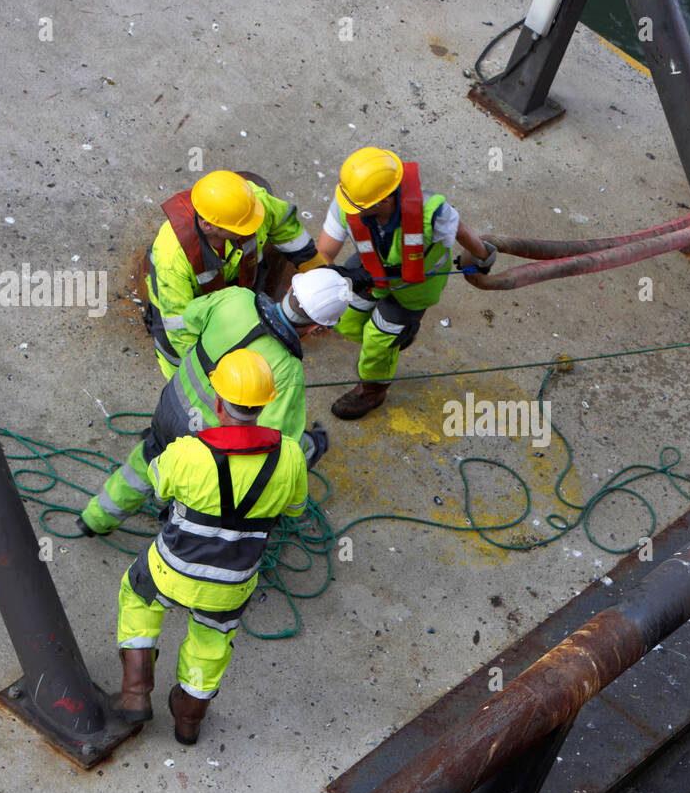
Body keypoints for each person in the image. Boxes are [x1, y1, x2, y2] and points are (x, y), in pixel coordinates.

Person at [110, 349, 309, 744]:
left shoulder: (188, 452)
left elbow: (157, 482)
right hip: (233, 582)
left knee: (137, 595)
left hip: (173, 568)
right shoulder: (290, 456)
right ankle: (188, 721)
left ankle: (134, 693)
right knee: (211, 642)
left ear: (218, 403)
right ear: (265, 404)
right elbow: (296, 508)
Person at [76, 271, 349, 537]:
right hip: (205, 443)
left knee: (145, 461)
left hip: (172, 404)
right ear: (317, 326)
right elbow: (275, 443)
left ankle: (95, 519)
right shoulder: (288, 372)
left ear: (291, 288)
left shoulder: (236, 299)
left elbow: (190, 318)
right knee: (192, 496)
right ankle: (173, 535)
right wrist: (312, 446)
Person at [314, 146, 498, 419]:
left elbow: (460, 229)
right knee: (349, 322)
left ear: (385, 200)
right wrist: (320, 287)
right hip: (368, 274)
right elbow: (325, 252)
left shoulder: (433, 213)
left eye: (361, 208)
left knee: (378, 343)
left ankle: (373, 390)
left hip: (414, 290)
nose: (352, 211)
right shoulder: (352, 200)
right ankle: (400, 338)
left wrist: (483, 256)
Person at [144, 170, 321, 380]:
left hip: (237, 293)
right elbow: (179, 328)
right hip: (186, 313)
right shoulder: (172, 257)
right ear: (207, 225)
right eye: (241, 227)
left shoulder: (249, 205)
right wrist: (210, 374)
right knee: (178, 364)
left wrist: (314, 266)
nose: (251, 228)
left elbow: (283, 222)